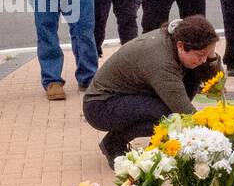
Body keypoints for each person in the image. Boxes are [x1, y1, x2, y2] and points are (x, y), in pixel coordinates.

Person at [83, 15, 223, 167]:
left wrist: (212, 58)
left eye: (206, 54)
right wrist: (215, 139)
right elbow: (184, 111)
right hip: (101, 105)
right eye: (201, 55)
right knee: (169, 116)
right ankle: (114, 142)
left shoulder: (177, 41)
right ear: (181, 46)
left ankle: (160, 137)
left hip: (131, 95)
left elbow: (218, 84)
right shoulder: (161, 61)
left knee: (195, 71)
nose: (203, 60)